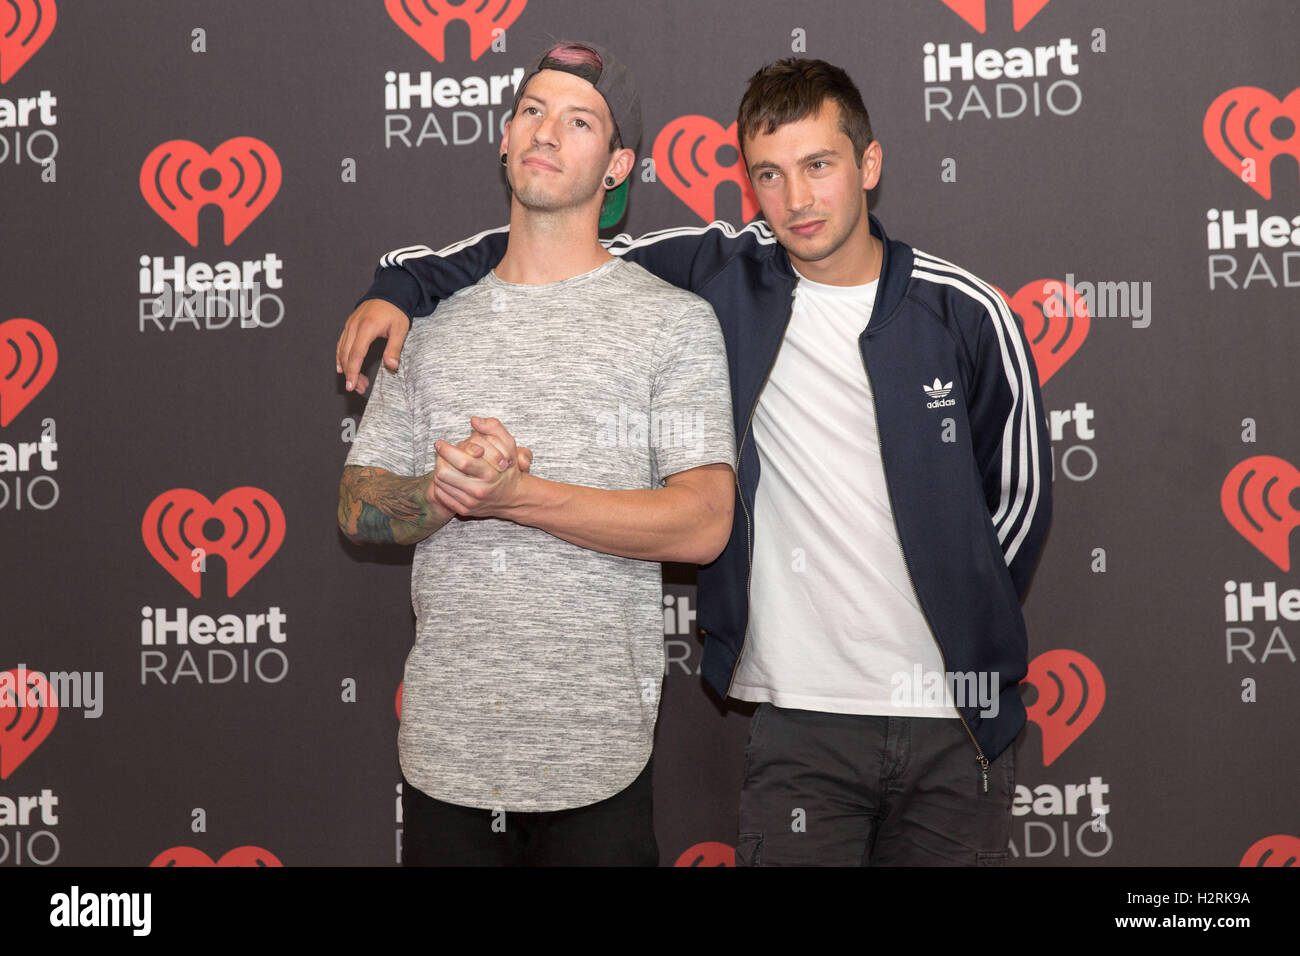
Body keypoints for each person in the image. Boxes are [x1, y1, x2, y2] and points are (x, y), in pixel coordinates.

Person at [337, 58, 1051, 866]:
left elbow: (1018, 502)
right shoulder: (722, 275)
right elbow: (545, 234)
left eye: (820, 166)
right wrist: (402, 281)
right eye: (770, 176)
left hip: (954, 721)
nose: (799, 200)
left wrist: (968, 623)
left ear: (869, 165)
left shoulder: (964, 309)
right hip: (797, 718)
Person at [337, 41, 736, 866]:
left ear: (619, 163)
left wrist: (518, 495)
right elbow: (358, 505)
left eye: (579, 120)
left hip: (600, 766)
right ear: (504, 138)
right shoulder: (431, 326)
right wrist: (448, 494)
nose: (548, 132)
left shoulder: (675, 323)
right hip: (447, 760)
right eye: (532, 112)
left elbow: (703, 525)